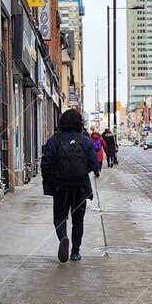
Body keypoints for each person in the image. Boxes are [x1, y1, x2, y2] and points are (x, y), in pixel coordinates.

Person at [41, 107, 100, 263]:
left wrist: (49, 184)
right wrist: (94, 170)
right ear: (79, 123)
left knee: (60, 218)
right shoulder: (85, 140)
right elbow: (94, 163)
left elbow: (46, 163)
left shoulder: (55, 140)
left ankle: (63, 238)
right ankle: (75, 252)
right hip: (80, 186)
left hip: (61, 186)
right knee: (78, 220)